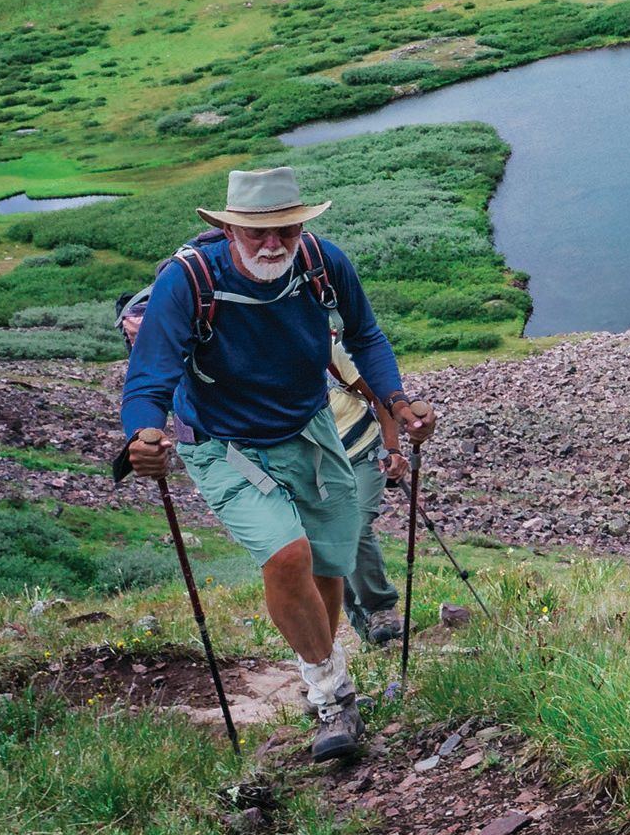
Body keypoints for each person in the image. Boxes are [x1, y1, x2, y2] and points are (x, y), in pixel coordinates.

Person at [119, 165, 434, 761]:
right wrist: (144, 434)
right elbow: (150, 373)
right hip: (223, 443)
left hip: (309, 428)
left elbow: (365, 334)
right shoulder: (188, 282)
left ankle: (321, 665)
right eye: (258, 232)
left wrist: (397, 400)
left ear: (300, 225)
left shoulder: (322, 262)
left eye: (285, 230)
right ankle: (333, 697)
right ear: (230, 228)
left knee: (329, 562)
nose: (273, 244)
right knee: (287, 554)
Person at [328, 334, 409, 645]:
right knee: (331, 545)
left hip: (364, 453)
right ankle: (369, 632)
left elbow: (379, 397)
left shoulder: (330, 348)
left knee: (355, 527)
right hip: (321, 467)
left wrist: (393, 449)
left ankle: (380, 608)